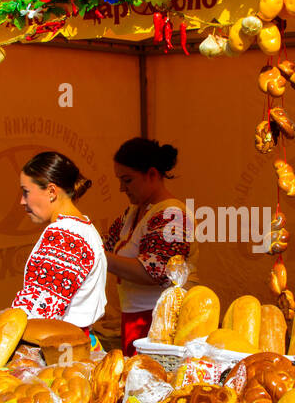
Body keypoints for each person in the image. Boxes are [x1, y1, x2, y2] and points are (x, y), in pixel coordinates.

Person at [102, 138, 192, 355]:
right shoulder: (132, 213)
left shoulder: (173, 215)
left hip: (159, 320)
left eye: (128, 180)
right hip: (134, 316)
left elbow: (154, 272)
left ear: (152, 174)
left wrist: (95, 255)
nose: (122, 188)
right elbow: (105, 245)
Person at [12, 152, 106, 331]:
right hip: (72, 342)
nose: (22, 201)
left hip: (59, 348)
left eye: (26, 192)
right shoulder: (83, 228)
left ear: (51, 191)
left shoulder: (65, 234)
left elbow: (40, 312)